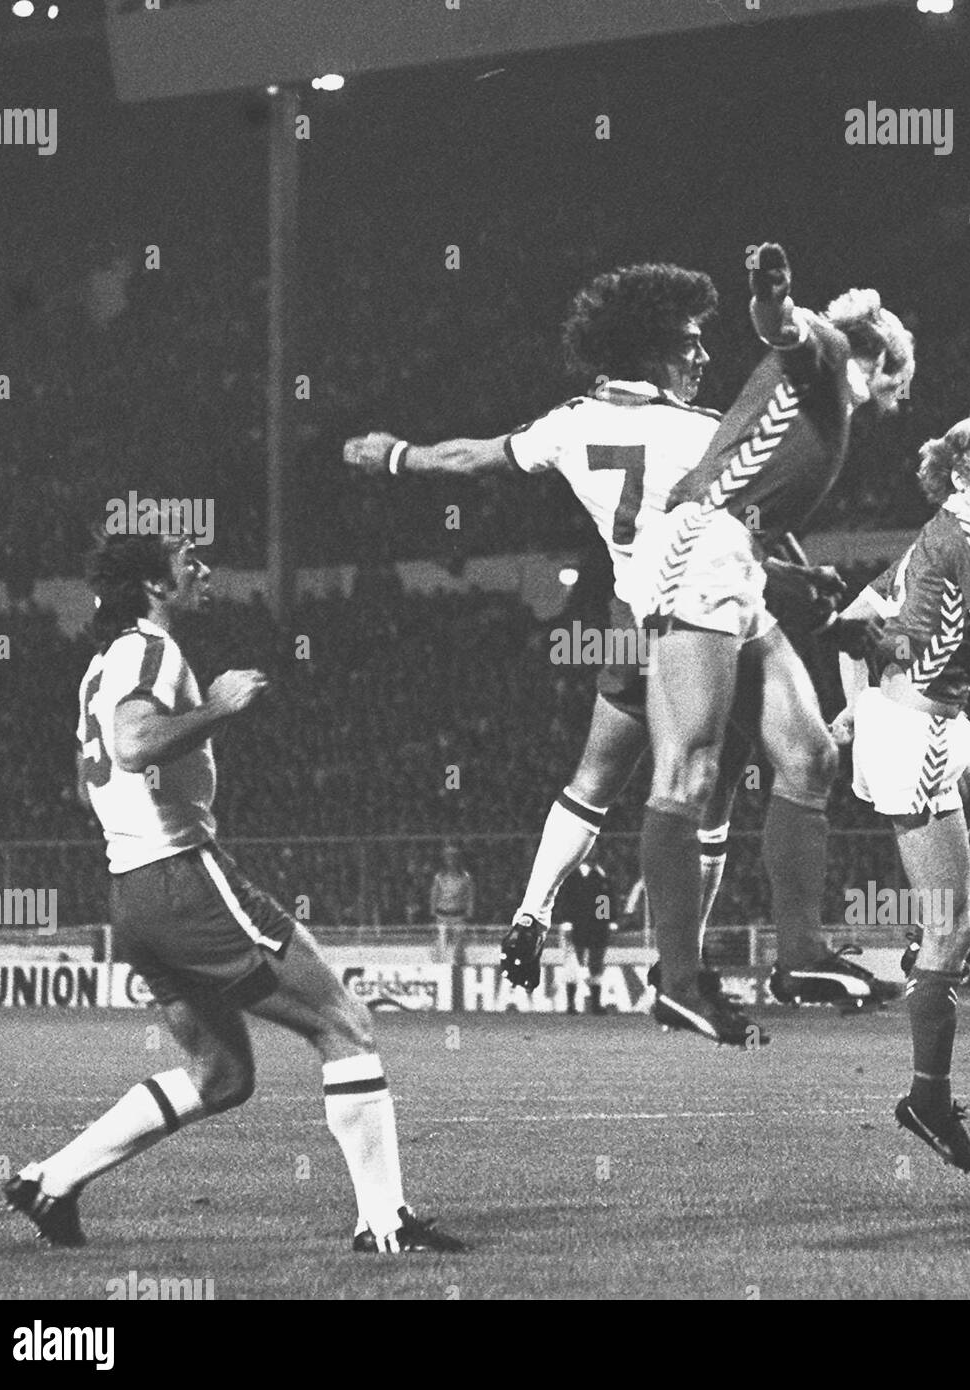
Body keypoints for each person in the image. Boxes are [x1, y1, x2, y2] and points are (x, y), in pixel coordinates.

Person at [344, 262, 879, 997]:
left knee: (597, 777)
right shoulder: (700, 431)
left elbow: (471, 457)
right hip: (695, 615)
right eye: (690, 343)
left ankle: (532, 912)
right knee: (712, 780)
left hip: (629, 618)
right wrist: (806, 586)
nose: (702, 357)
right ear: (654, 352)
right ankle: (687, 963)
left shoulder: (569, 423)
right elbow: (743, 526)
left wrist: (397, 456)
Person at [4, 531, 463, 1254]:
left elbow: (89, 779)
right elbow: (133, 745)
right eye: (189, 559)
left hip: (131, 890)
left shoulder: (102, 663)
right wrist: (219, 706)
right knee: (344, 1027)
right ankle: (385, 1223)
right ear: (157, 583)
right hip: (182, 877)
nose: (204, 568)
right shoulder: (150, 648)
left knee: (220, 1076)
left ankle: (50, 1181)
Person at [626, 243, 913, 1046]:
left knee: (811, 756)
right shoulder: (826, 356)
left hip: (736, 557)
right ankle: (678, 983)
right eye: (901, 385)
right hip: (695, 548)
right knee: (689, 769)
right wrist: (773, 292)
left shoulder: (821, 402)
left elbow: (754, 502)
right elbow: (785, 328)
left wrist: (794, 575)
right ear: (884, 360)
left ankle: (797, 956)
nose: (897, 403)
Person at [840, 411, 970, 1173]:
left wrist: (850, 700)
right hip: (917, 738)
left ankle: (915, 939)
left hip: (914, 725)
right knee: (953, 935)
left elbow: (853, 613)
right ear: (961, 474)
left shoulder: (931, 532)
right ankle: (926, 1099)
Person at [553, 857, 617, 1014]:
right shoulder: (571, 876)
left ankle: (595, 1004)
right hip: (576, 925)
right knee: (573, 963)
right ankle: (570, 1005)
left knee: (595, 963)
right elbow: (565, 899)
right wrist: (566, 920)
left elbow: (606, 899)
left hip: (596, 926)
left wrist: (607, 921)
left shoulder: (600, 875)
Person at [429, 842, 474, 960]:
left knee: (459, 944)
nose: (451, 860)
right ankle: (439, 963)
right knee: (441, 942)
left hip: (458, 914)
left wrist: (469, 910)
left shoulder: (465, 876)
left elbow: (469, 895)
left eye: (453, 857)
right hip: (442, 914)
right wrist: (433, 910)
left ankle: (459, 964)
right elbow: (435, 894)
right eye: (448, 857)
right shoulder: (439, 877)